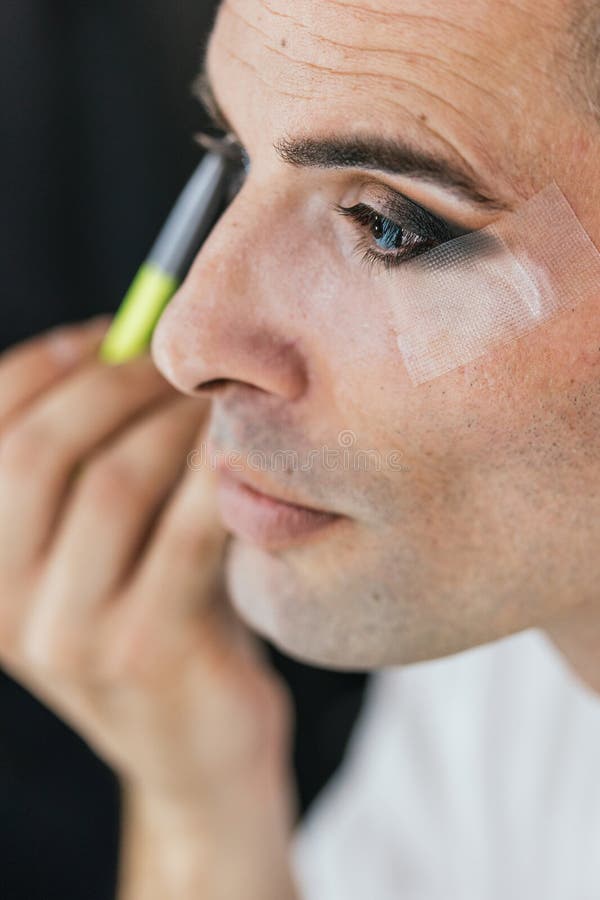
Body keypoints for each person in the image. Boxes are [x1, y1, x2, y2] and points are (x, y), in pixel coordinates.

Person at [1, 0, 600, 896]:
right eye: (236, 157)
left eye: (390, 225)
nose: (186, 343)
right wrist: (198, 801)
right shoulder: (493, 660)